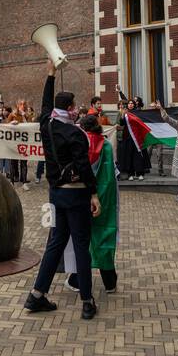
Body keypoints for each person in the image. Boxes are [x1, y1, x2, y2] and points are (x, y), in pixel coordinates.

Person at [23, 59, 101, 320]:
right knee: (81, 245)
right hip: (76, 194)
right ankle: (87, 301)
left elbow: (45, 104)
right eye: (74, 106)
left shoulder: (46, 124)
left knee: (55, 243)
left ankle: (36, 295)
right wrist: (93, 193)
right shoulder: (75, 134)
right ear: (69, 108)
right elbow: (84, 167)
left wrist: (50, 73)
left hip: (55, 194)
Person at [65, 113, 119, 295]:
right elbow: (112, 173)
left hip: (83, 195)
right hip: (106, 198)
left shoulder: (79, 146)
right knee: (104, 235)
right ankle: (110, 282)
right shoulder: (107, 146)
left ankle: (77, 280)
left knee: (82, 240)